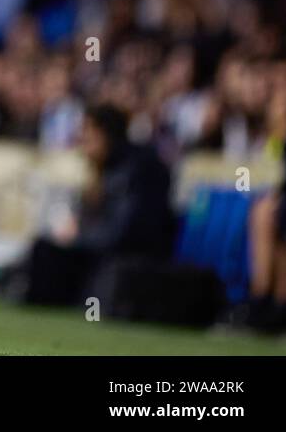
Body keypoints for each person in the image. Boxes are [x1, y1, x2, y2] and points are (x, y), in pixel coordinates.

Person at [23, 103, 176, 306]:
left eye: (88, 137)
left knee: (49, 253)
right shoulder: (105, 168)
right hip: (104, 248)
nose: (82, 144)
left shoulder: (138, 170)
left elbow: (122, 232)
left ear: (106, 135)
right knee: (43, 248)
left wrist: (78, 237)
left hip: (131, 256)